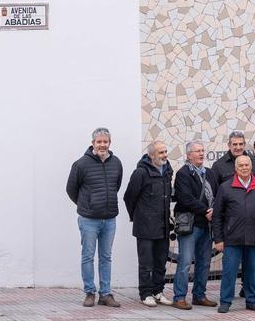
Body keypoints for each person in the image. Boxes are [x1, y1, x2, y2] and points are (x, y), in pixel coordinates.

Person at [65, 127, 123, 308]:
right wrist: (86, 205)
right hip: (88, 219)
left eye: (105, 142)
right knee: (88, 256)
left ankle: (105, 294)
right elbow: (71, 189)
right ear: (93, 143)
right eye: (99, 142)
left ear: (110, 143)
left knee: (106, 257)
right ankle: (89, 292)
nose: (102, 145)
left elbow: (116, 185)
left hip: (109, 219)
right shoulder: (80, 164)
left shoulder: (116, 163)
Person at [212, 154, 255, 313]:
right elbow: (217, 216)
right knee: (229, 271)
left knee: (251, 271)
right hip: (232, 239)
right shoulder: (225, 187)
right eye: (241, 165)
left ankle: (252, 300)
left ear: (251, 167)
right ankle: (226, 301)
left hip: (254, 237)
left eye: (247, 165)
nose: (245, 168)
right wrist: (218, 239)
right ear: (236, 168)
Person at [123, 140, 174, 307]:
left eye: (165, 151)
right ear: (152, 155)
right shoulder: (140, 173)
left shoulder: (167, 170)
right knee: (146, 263)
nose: (164, 155)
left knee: (161, 262)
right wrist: (137, 216)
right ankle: (145, 293)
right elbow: (129, 197)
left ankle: (158, 291)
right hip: (145, 226)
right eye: (161, 153)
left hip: (163, 225)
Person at [171, 140, 217, 309]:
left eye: (203, 150)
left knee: (204, 262)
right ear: (189, 155)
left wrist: (215, 210)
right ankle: (179, 297)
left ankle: (199, 295)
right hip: (191, 226)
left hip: (207, 225)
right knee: (185, 262)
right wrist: (206, 210)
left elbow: (218, 194)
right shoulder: (183, 174)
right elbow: (185, 198)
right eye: (197, 151)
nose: (201, 153)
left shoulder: (210, 173)